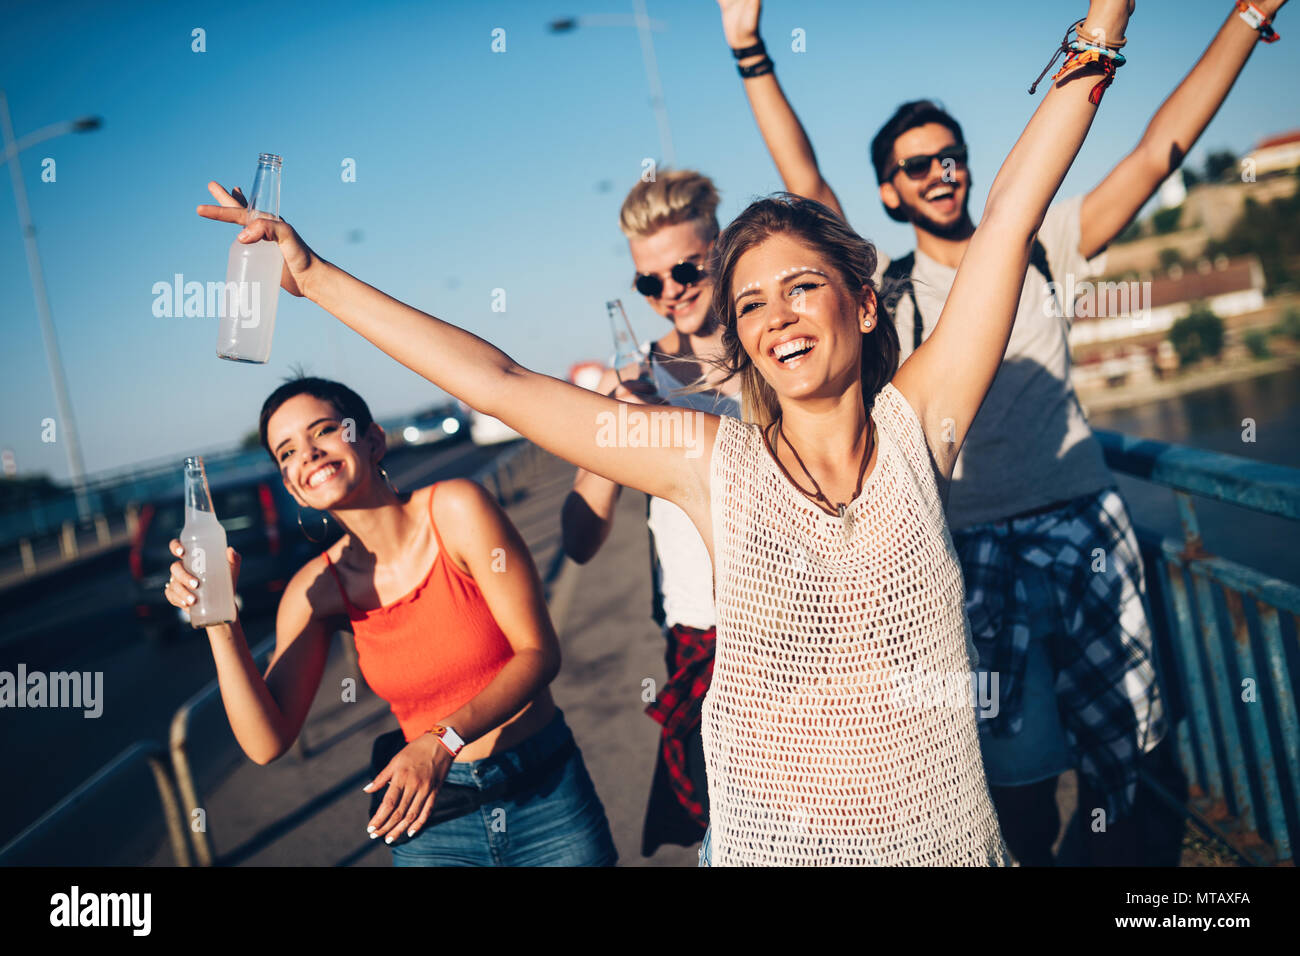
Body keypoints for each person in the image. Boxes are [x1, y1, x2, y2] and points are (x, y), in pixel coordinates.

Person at [195, 0, 1135, 866]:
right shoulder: (709, 461)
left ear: (861, 300)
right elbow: (499, 380)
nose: (777, 318)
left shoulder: (921, 420)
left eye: (802, 288)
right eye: (752, 303)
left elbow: (1011, 215)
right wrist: (314, 276)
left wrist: (1103, 22)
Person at [719, 0, 1288, 864]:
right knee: (1011, 782)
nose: (941, 173)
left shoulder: (1040, 241)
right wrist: (751, 50)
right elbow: (801, 179)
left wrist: (1250, 13)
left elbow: (1157, 147)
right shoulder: (883, 292)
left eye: (952, 156)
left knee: (1125, 757)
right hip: (968, 548)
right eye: (917, 166)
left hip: (1081, 522)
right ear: (888, 190)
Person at [163, 375, 617, 866]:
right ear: (292, 488)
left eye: (324, 430)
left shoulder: (458, 509)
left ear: (374, 440)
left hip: (545, 793)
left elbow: (539, 653)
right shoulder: (315, 590)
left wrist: (441, 740)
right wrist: (220, 622)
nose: (308, 454)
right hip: (431, 821)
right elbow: (266, 742)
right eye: (287, 452)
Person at [560, 170, 740, 856]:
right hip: (701, 637)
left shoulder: (778, 349)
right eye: (649, 283)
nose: (671, 292)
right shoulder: (634, 384)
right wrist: (616, 434)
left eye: (686, 268)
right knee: (727, 835)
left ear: (721, 249)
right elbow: (579, 540)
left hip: (802, 614)